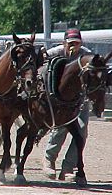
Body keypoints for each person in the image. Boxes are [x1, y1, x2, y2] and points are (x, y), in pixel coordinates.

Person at [42, 28, 92, 181]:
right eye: (70, 42)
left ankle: (68, 167)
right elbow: (43, 59)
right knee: (61, 128)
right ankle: (49, 160)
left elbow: (95, 63)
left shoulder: (85, 54)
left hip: (80, 98)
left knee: (81, 131)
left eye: (76, 43)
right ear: (64, 43)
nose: (73, 46)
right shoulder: (56, 52)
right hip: (61, 98)